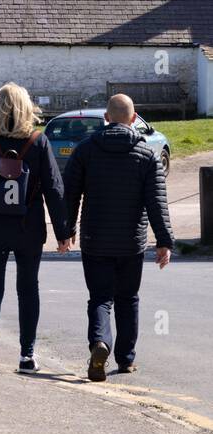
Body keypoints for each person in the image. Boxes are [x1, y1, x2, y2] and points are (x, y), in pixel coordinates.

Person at [0, 83, 71, 372]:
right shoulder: (38, 141)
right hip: (28, 227)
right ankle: (26, 355)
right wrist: (63, 232)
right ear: (26, 108)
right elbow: (54, 189)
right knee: (27, 288)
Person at [63, 93, 175, 382]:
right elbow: (156, 202)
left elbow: (71, 194)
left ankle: (100, 344)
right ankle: (125, 359)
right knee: (128, 299)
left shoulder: (86, 150)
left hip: (95, 239)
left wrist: (67, 231)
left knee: (100, 298)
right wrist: (164, 241)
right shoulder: (146, 154)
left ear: (106, 118)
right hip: (131, 241)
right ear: (134, 119)